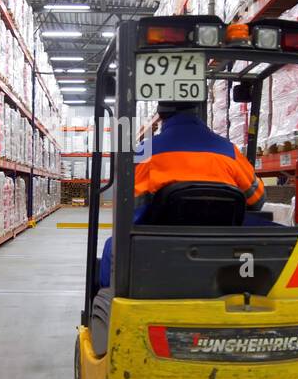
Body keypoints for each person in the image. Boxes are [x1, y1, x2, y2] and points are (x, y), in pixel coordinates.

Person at [98, 100, 265, 288]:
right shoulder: (230, 151)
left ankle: (110, 303)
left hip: (162, 249)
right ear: (197, 112)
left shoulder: (146, 150)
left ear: (161, 115)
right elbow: (257, 200)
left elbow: (131, 210)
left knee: (111, 247)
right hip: (222, 244)